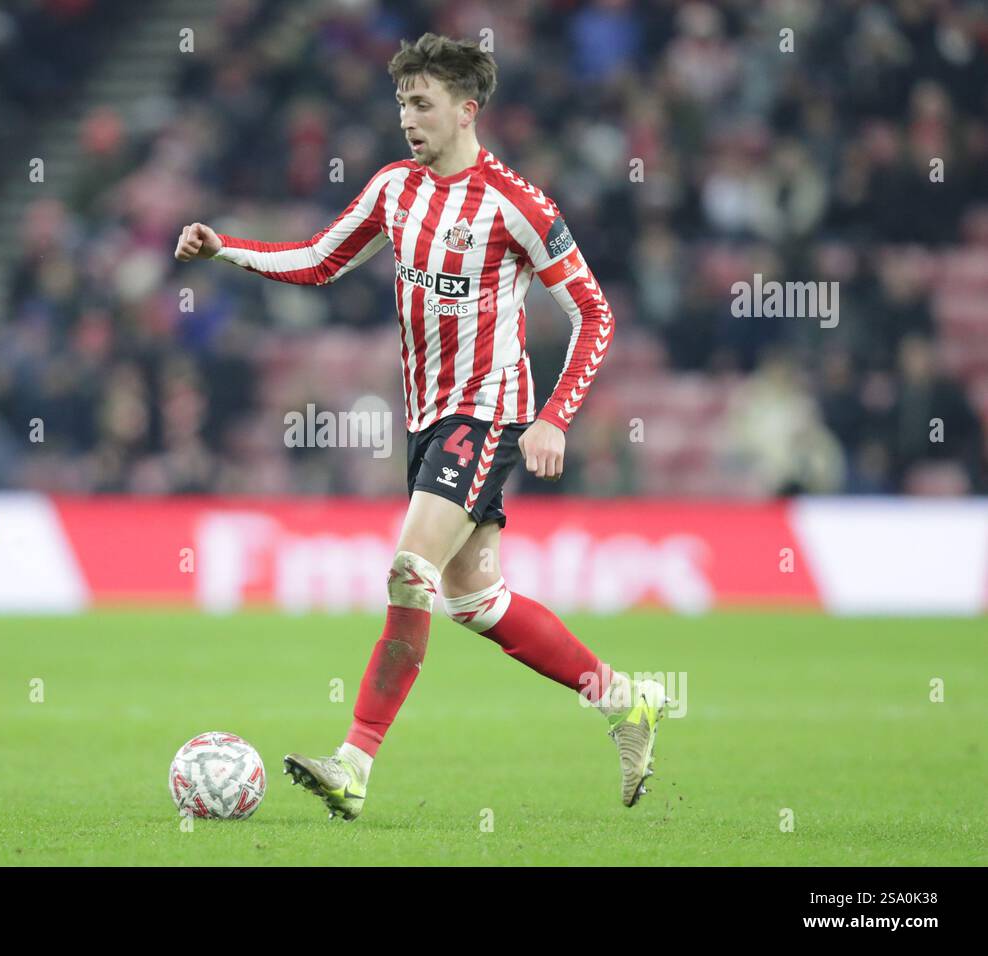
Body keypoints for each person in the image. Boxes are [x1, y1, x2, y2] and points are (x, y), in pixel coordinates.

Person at [174, 34, 668, 819]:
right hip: (429, 419)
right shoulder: (392, 190)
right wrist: (223, 248)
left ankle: (353, 764)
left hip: (489, 411)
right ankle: (625, 702)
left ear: (467, 110)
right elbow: (318, 260)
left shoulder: (518, 204)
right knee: (474, 599)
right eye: (402, 102)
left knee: (410, 569)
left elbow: (594, 313)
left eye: (423, 103)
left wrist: (553, 418)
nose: (408, 117)